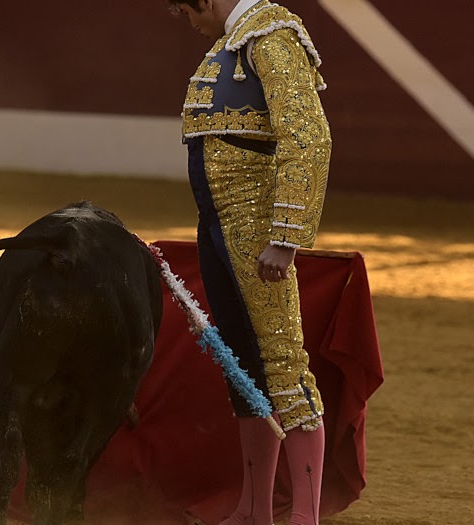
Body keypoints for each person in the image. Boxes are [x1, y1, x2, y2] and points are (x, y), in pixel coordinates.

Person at [168, 1, 332, 524]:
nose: (187, 22)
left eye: (186, 9)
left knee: (284, 364)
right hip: (215, 222)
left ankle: (303, 517)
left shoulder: (273, 36)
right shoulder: (232, 45)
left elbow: (307, 138)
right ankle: (254, 510)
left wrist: (285, 236)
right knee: (244, 368)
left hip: (257, 227)